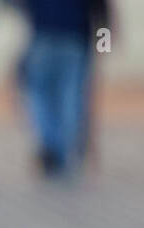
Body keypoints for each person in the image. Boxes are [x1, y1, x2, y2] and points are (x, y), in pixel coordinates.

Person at [19, 0, 109, 177]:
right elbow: (99, 8)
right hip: (74, 35)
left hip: (43, 33)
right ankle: (65, 147)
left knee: (41, 94)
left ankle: (50, 143)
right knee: (70, 95)